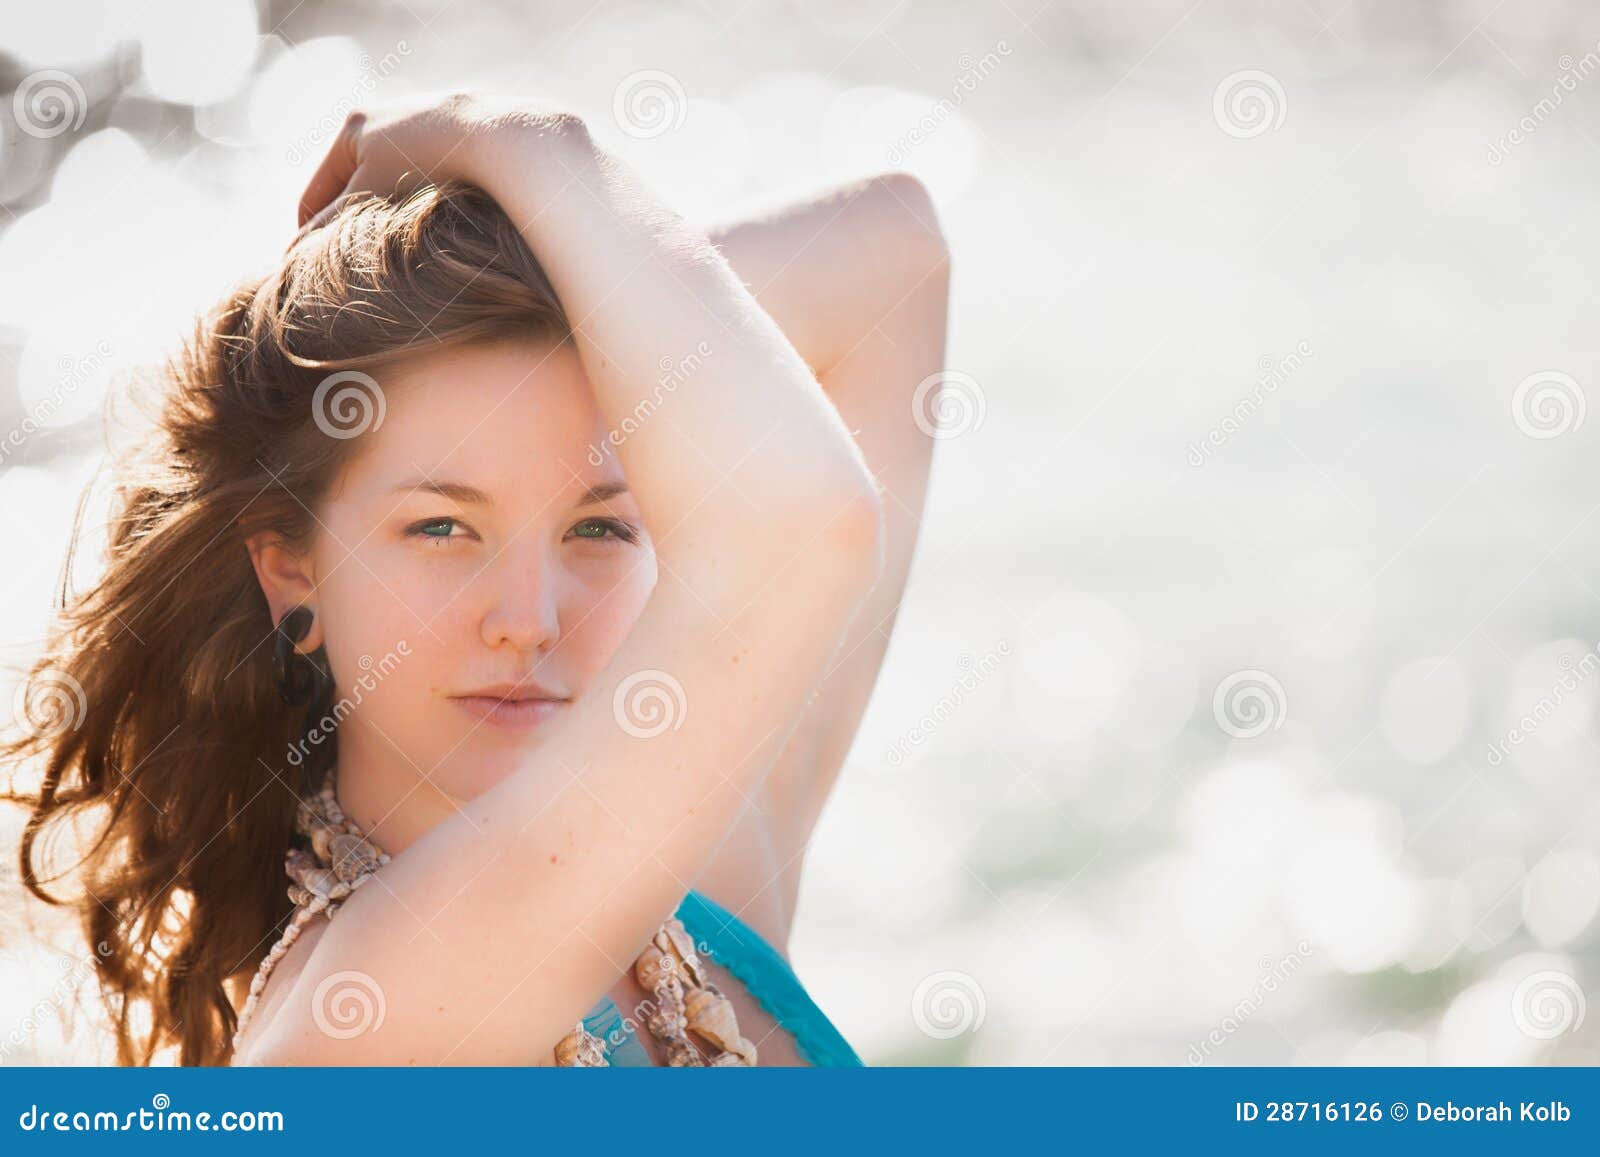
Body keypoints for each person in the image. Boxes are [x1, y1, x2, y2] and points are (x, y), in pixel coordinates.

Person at [2, 92, 951, 1066]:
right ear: (292, 571)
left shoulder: (696, 872)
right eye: (442, 527)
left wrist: (544, 304)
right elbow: (809, 514)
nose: (529, 619)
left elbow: (895, 256)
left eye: (597, 525)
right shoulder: (376, 1008)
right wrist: (522, 144)